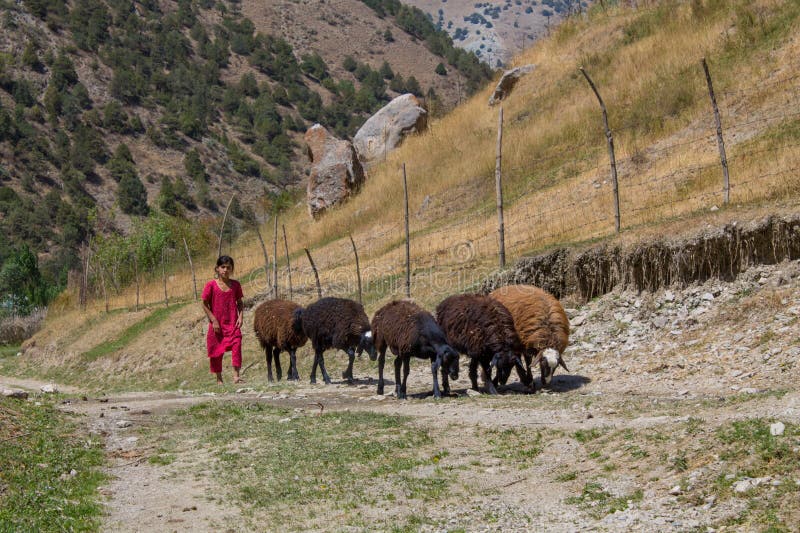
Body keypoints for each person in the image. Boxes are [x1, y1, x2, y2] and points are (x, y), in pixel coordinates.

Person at [201, 255, 244, 384]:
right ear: (217, 269)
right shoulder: (211, 285)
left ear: (232, 269)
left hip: (232, 323)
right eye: (223, 267)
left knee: (237, 344)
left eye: (228, 267)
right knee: (216, 350)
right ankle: (219, 379)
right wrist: (213, 320)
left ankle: (236, 376)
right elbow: (204, 303)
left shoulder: (236, 285)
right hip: (217, 324)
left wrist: (241, 316)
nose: (225, 270)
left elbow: (240, 302)